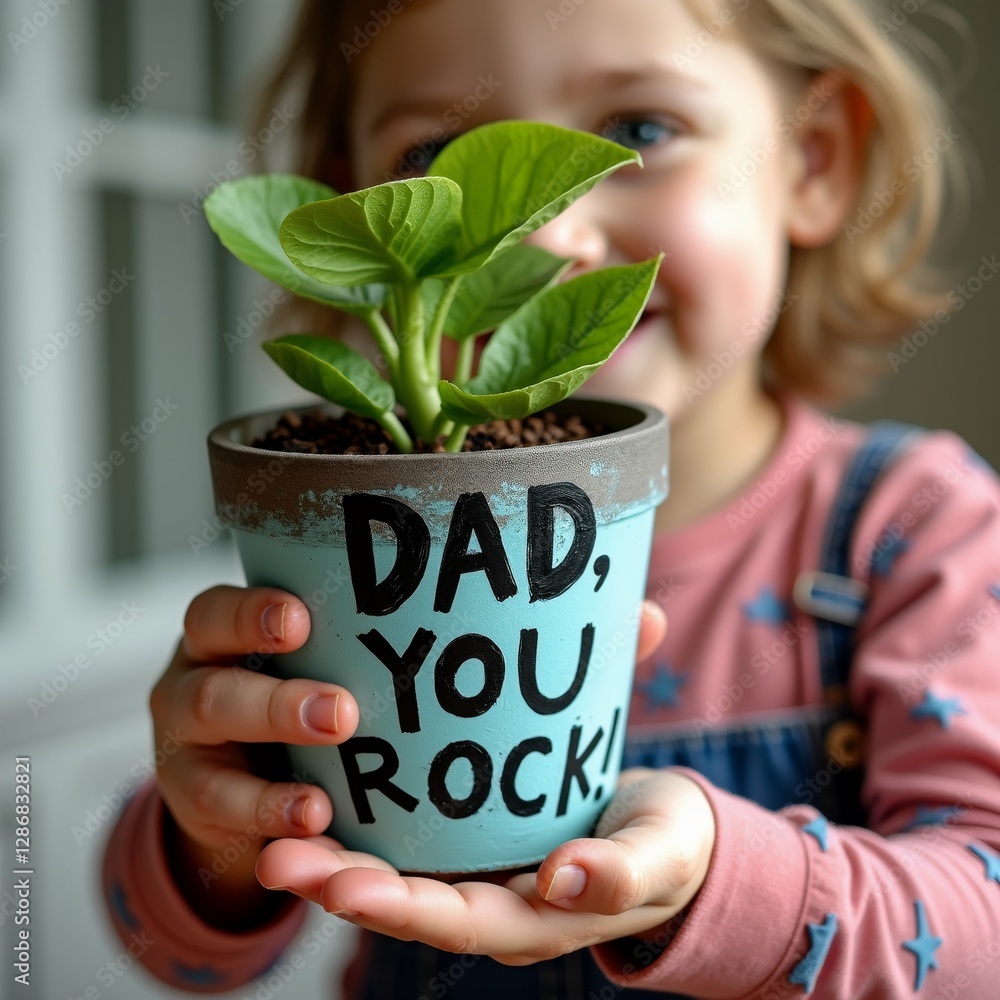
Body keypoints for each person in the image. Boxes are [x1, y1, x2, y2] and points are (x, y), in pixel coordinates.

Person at [102, 0, 1000, 996]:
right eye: (437, 151)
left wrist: (722, 880)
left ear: (813, 159)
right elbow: (171, 953)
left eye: (638, 132)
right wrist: (220, 831)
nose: (553, 238)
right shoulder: (339, 538)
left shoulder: (911, 530)